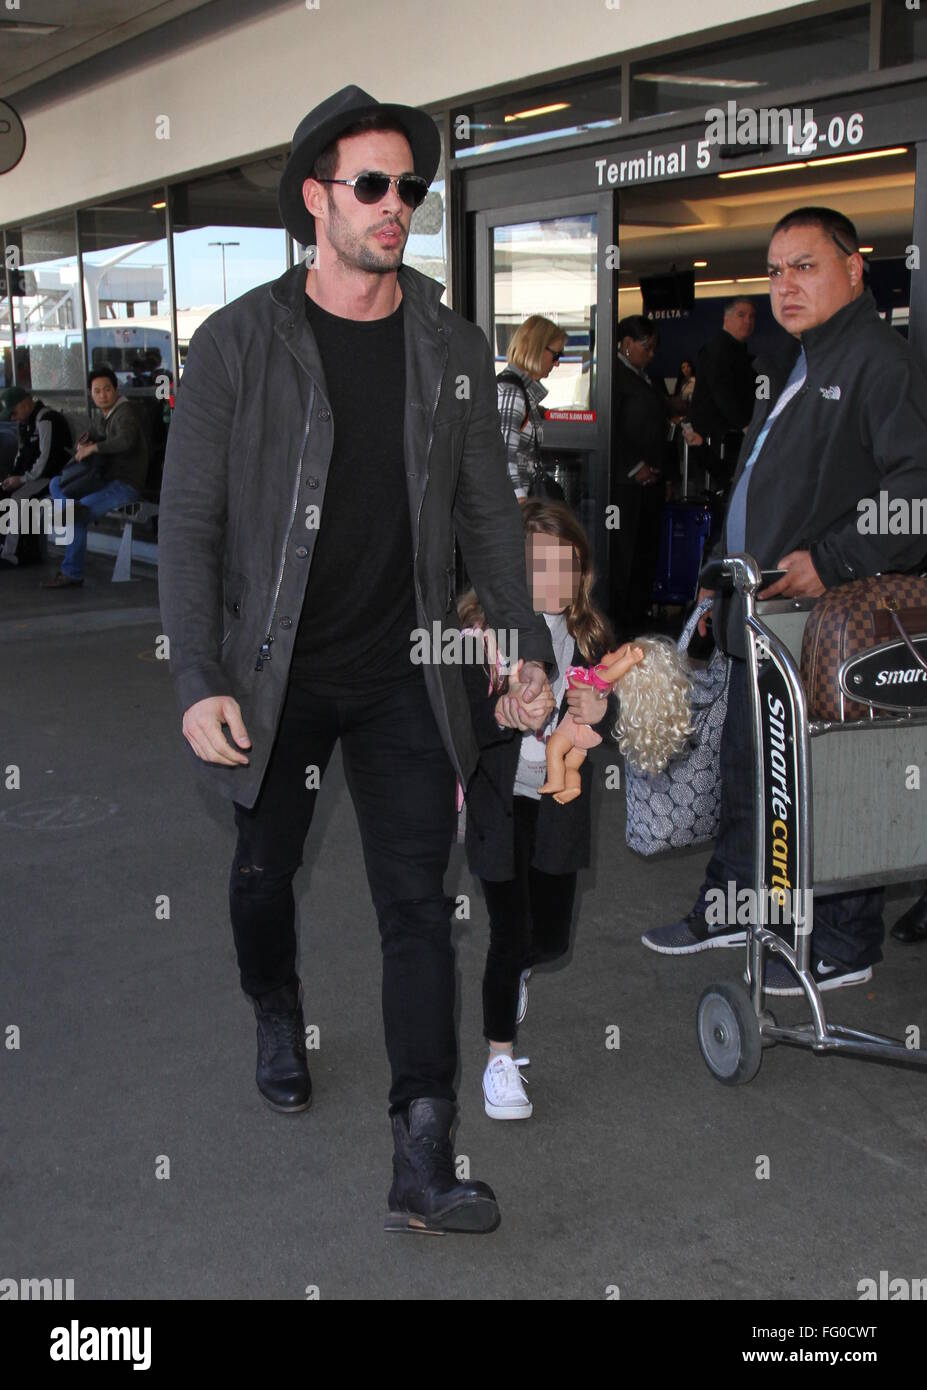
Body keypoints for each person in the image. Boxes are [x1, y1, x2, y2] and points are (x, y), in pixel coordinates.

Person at [157, 85, 556, 1237]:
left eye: (410, 190)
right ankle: (275, 1004)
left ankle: (424, 1146)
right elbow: (190, 529)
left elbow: (491, 517)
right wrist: (198, 680)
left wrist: (525, 646)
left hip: (403, 671)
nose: (398, 209)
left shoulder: (451, 343)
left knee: (418, 906)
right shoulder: (237, 344)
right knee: (261, 873)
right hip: (271, 675)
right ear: (315, 201)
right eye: (373, 187)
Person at [643, 206, 927, 994]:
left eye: (803, 265)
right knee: (751, 776)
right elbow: (761, 481)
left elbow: (917, 493)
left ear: (853, 267)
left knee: (830, 785)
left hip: (825, 627)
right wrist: (712, 572)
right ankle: (735, 906)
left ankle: (843, 942)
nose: (784, 284)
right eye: (773, 270)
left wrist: (831, 561)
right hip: (759, 617)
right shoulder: (800, 357)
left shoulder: (878, 361)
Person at [459, 500, 630, 1118]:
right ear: (508, 571)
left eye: (567, 567)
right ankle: (498, 1060)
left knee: (549, 938)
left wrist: (601, 717)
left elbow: (605, 725)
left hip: (559, 802)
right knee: (508, 934)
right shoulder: (481, 637)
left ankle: (520, 973)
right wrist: (503, 710)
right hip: (498, 802)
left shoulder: (589, 636)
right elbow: (460, 724)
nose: (554, 582)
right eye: (538, 567)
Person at [43, 367, 147, 589]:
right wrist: (85, 442)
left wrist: (95, 448)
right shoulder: (105, 415)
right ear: (91, 394)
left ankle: (72, 572)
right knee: (56, 484)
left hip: (124, 484)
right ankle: (68, 507)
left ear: (116, 389)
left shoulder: (125, 413)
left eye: (107, 389)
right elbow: (93, 433)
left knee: (76, 517)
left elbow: (125, 440)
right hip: (104, 481)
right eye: (97, 391)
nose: (102, 395)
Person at [609, 314, 670, 639]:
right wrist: (634, 466)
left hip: (650, 485)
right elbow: (610, 429)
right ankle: (621, 621)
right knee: (624, 552)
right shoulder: (614, 375)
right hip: (624, 484)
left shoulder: (646, 378)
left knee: (645, 551)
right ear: (627, 343)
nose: (651, 353)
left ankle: (637, 616)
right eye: (646, 346)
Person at [686, 297, 757, 488]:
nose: (747, 321)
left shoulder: (741, 352)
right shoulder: (717, 350)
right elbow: (722, 392)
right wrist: (745, 425)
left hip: (727, 435)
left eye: (751, 316)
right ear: (727, 318)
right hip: (714, 439)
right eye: (741, 315)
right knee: (717, 492)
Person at [496, 315, 566, 503]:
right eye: (556, 355)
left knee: (555, 533)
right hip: (514, 509)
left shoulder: (521, 393)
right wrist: (522, 507)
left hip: (519, 505)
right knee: (551, 533)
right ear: (537, 349)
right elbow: (502, 457)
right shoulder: (512, 393)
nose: (557, 363)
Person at [0, 386, 70, 566]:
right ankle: (11, 548)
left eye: (14, 413)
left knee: (18, 499)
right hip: (32, 478)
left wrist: (22, 480)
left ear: (25, 404)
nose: (13, 418)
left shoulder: (47, 420)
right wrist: (13, 478)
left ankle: (11, 555)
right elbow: (21, 454)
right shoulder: (26, 424)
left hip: (52, 478)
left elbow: (45, 460)